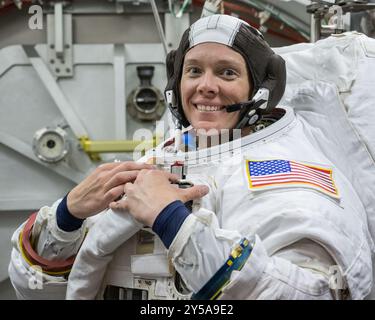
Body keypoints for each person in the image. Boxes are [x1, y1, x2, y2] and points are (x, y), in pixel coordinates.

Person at [9, 14, 373, 300]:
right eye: (193, 70)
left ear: (261, 89)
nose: (206, 86)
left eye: (226, 72)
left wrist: (172, 222)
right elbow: (36, 291)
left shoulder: (293, 176)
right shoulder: (154, 163)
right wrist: (66, 217)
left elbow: (314, 292)